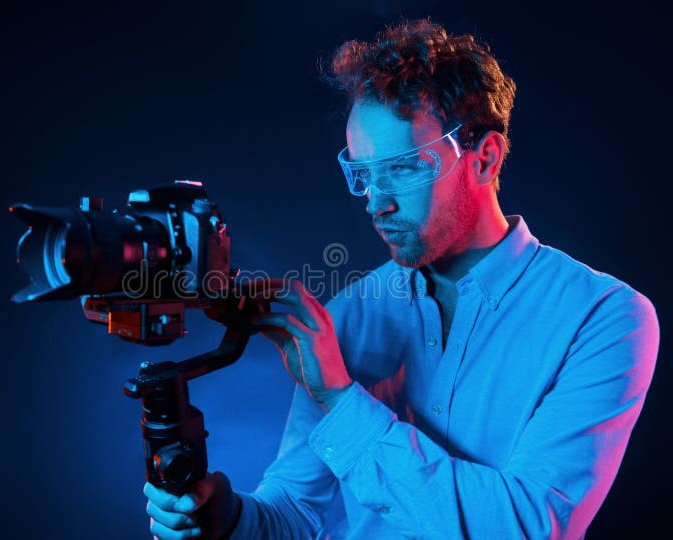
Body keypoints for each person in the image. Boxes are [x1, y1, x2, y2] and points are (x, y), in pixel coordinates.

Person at [143, 19, 659, 539]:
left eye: (406, 168)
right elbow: (297, 514)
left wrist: (342, 399)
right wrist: (228, 517)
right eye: (363, 174)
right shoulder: (345, 316)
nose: (376, 202)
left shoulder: (603, 319)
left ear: (485, 159)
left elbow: (524, 528)